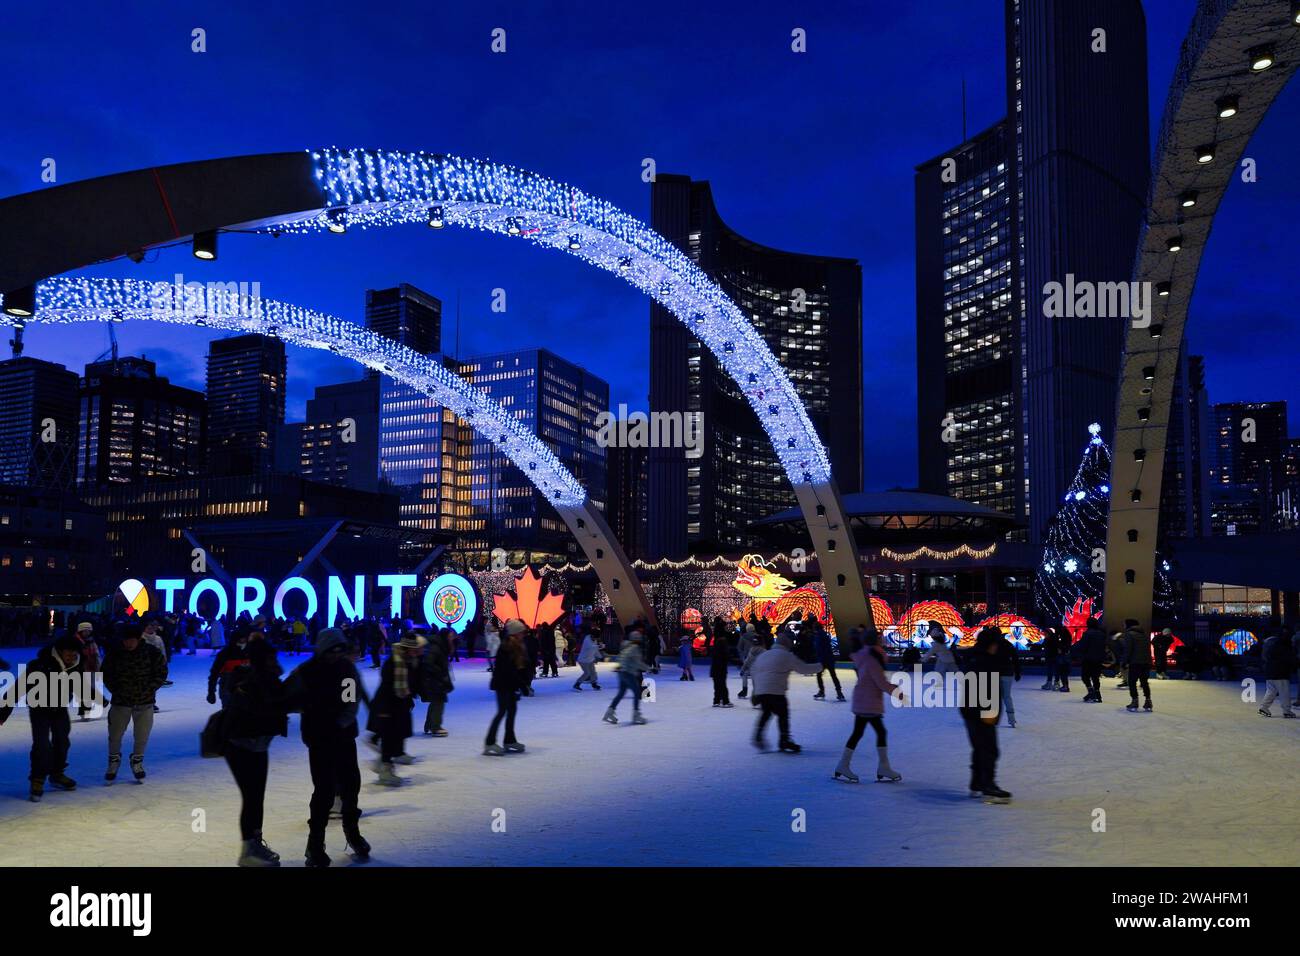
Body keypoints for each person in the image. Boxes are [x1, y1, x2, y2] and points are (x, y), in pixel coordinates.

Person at [285, 627, 371, 867]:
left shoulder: (346, 670)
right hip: (319, 739)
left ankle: (352, 833)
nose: (336, 655)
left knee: (350, 786)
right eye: (332, 651)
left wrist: (339, 723)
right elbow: (286, 697)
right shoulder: (307, 671)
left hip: (342, 738)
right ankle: (315, 845)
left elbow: (351, 702)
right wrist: (305, 707)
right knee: (323, 791)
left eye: (340, 650)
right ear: (322, 650)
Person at [220, 640, 289, 866]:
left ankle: (254, 844)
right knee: (252, 797)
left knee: (256, 797)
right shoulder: (250, 681)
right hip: (240, 746)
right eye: (270, 657)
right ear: (261, 659)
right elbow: (255, 710)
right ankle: (247, 851)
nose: (274, 661)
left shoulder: (267, 679)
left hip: (258, 745)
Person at [834, 628, 904, 783]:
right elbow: (880, 682)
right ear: (875, 641)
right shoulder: (872, 658)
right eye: (879, 639)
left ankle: (844, 765)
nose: (881, 641)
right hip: (868, 702)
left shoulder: (865, 655)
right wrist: (897, 692)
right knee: (879, 732)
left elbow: (872, 679)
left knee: (860, 733)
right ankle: (882, 767)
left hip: (864, 700)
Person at [101, 622, 168, 783]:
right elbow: (105, 673)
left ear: (139, 639)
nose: (128, 643)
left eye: (132, 640)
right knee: (115, 735)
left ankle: (137, 761)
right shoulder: (115, 653)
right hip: (121, 702)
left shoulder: (151, 652)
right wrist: (116, 690)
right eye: (126, 640)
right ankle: (113, 762)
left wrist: (150, 688)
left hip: (144, 702)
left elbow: (162, 672)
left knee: (142, 735)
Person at [23, 634, 83, 802]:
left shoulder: (74, 667)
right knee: (42, 745)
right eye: (68, 654)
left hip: (59, 709)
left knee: (62, 741)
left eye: (74, 654)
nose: (72, 658)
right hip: (39, 709)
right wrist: (3, 711)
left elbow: (78, 685)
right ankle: (37, 779)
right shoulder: (39, 666)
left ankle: (56, 774)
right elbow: (19, 687)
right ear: (59, 652)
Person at [367, 631, 426, 785]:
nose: (416, 652)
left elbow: (411, 682)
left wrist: (409, 698)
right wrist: (386, 710)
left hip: (399, 705)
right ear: (406, 648)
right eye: (413, 650)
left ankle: (383, 765)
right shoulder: (393, 662)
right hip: (387, 705)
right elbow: (387, 687)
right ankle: (385, 770)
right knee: (389, 738)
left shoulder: (408, 660)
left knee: (393, 737)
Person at [959, 627, 1011, 803]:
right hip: (981, 711)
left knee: (980, 748)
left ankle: (976, 783)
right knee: (990, 749)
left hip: (970, 710)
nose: (998, 646)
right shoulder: (985, 661)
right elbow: (987, 690)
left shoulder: (974, 657)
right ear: (990, 644)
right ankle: (987, 784)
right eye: (996, 642)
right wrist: (989, 714)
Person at [749, 633, 822, 752]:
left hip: (761, 690)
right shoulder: (787, 656)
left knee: (766, 712)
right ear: (787, 644)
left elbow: (753, 669)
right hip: (776, 691)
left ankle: (758, 735)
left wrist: (758, 686)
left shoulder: (764, 654)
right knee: (783, 714)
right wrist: (821, 666)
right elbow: (803, 668)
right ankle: (784, 740)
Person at [484, 619, 529, 754]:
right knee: (502, 712)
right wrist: (522, 685)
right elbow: (509, 670)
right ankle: (490, 743)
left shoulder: (517, 646)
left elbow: (518, 667)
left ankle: (509, 740)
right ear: (515, 633)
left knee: (511, 711)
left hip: (510, 684)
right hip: (503, 684)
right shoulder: (507, 646)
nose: (523, 634)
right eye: (521, 632)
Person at [604, 630, 648, 725]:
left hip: (621, 672)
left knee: (621, 693)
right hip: (628, 673)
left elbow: (620, 658)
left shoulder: (626, 646)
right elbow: (638, 663)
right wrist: (649, 668)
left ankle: (609, 712)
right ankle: (636, 715)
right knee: (637, 693)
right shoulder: (635, 648)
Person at [419, 628, 454, 736]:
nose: (451, 638)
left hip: (437, 679)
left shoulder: (442, 646)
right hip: (434, 680)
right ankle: (435, 727)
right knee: (439, 701)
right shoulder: (436, 647)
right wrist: (438, 671)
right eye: (450, 636)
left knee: (436, 701)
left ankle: (430, 724)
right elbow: (428, 662)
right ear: (445, 636)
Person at [1258, 628, 1297, 718]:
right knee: (1284, 692)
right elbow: (1288, 658)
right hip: (1280, 673)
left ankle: (1264, 707)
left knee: (1271, 691)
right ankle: (1287, 711)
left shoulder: (1271, 644)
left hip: (1270, 671)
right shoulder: (1284, 646)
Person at [207, 629, 251, 706]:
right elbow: (214, 673)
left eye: (245, 637)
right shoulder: (225, 653)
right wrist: (211, 691)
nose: (244, 639)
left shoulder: (252, 652)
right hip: (228, 688)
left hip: (248, 688)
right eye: (241, 638)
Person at [991, 626, 1020, 728]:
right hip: (1007, 673)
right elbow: (1016, 658)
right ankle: (1012, 720)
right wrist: (1017, 672)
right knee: (1007, 696)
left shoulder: (991, 645)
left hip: (995, 674)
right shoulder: (1007, 644)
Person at [1122, 620, 1153, 713]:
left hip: (1135, 662)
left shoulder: (1129, 634)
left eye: (1124, 624)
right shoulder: (1144, 634)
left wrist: (1124, 662)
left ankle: (1134, 701)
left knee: (1132, 682)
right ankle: (1148, 701)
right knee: (1144, 682)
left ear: (1128, 625)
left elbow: (1128, 649)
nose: (1123, 626)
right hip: (1146, 662)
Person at [1075, 617, 1107, 702]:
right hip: (1098, 658)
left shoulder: (1088, 633)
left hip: (1088, 658)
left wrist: (1075, 649)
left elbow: (1083, 645)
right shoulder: (1102, 634)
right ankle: (1097, 694)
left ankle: (1091, 692)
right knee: (1095, 677)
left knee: (1085, 676)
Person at [811, 623, 845, 701]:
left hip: (823, 660)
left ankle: (822, 691)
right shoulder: (823, 634)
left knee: (819, 675)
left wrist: (819, 659)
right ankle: (839, 692)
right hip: (829, 659)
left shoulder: (819, 636)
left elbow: (819, 648)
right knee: (833, 676)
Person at [739, 632, 767, 708]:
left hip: (754, 671)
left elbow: (747, 661)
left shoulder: (752, 650)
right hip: (762, 671)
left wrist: (743, 669)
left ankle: (756, 701)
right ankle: (759, 702)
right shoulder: (764, 651)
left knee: (756, 687)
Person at [709, 627, 733, 707]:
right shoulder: (723, 647)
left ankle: (716, 701)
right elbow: (726, 657)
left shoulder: (715, 647)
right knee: (722, 685)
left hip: (715, 670)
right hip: (721, 669)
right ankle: (725, 701)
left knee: (717, 686)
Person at [736, 623, 756, 699]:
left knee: (744, 674)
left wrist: (742, 657)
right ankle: (756, 691)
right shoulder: (758, 637)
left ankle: (744, 690)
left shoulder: (743, 637)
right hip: (756, 658)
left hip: (746, 658)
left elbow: (739, 648)